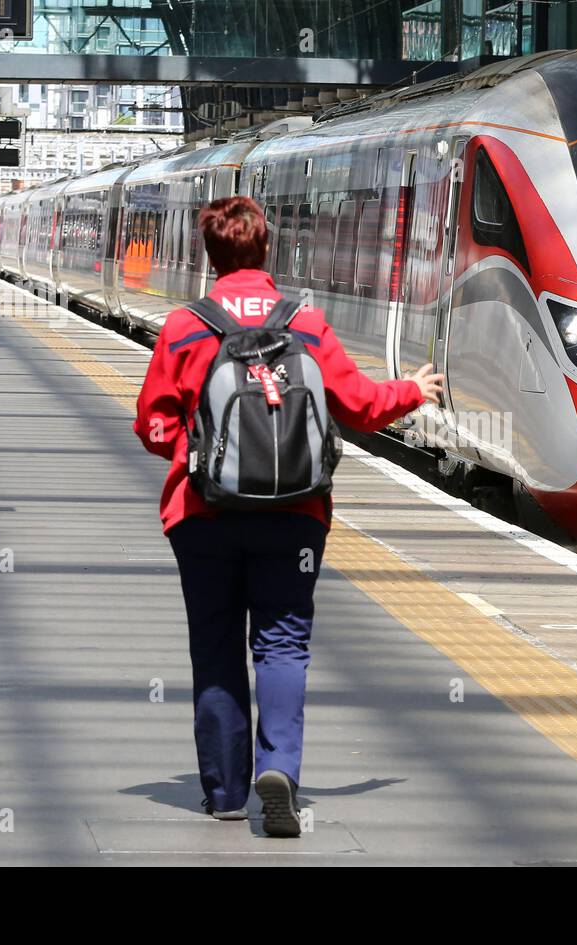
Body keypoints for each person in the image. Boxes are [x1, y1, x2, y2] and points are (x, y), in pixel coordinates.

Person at [134, 195, 444, 836]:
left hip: (204, 514)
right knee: (281, 644)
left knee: (215, 648)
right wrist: (413, 389)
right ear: (267, 249)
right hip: (296, 512)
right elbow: (357, 406)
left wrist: (198, 448)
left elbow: (153, 424)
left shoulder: (185, 326)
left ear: (209, 254)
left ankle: (222, 791)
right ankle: (279, 771)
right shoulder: (304, 320)